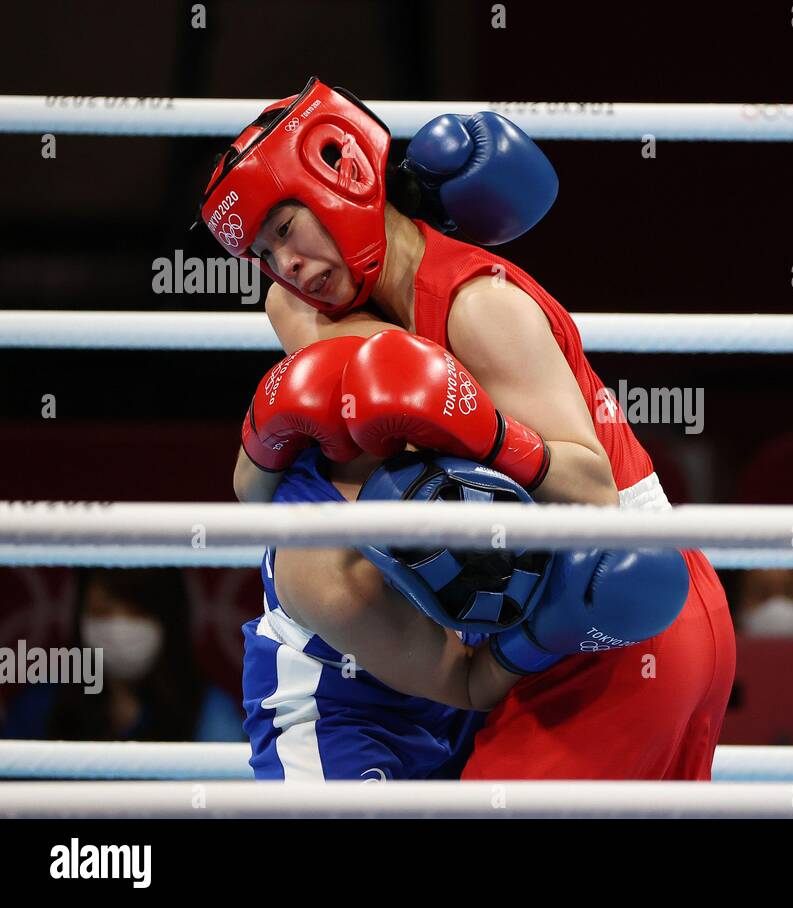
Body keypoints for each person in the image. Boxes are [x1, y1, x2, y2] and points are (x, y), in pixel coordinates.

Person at [201, 78, 735, 778]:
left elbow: (595, 492)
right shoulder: (321, 306)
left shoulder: (476, 307)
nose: (287, 266)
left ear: (344, 175)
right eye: (265, 253)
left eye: (287, 230)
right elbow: (298, 324)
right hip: (610, 614)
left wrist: (485, 434)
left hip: (615, 601)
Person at [1, 568, 245, 742]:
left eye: (136, 611)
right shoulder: (41, 705)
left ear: (168, 618)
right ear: (79, 616)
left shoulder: (212, 717)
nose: (119, 625)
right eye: (102, 611)